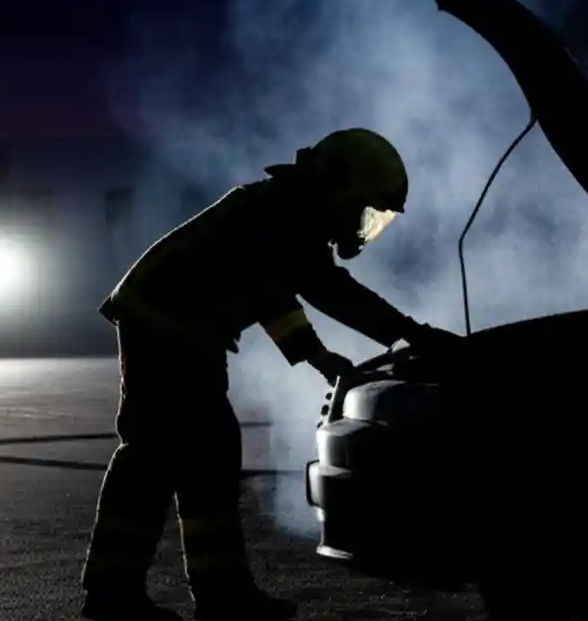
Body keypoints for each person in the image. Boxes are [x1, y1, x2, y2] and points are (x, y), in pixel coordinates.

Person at [78, 128, 460, 621]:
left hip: (177, 326)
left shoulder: (293, 211)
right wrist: (320, 355)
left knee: (193, 455)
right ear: (339, 186)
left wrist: (411, 331)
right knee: (168, 453)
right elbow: (271, 295)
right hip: (165, 324)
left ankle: (196, 595)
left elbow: (329, 289)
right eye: (364, 208)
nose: (363, 223)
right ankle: (141, 598)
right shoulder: (281, 214)